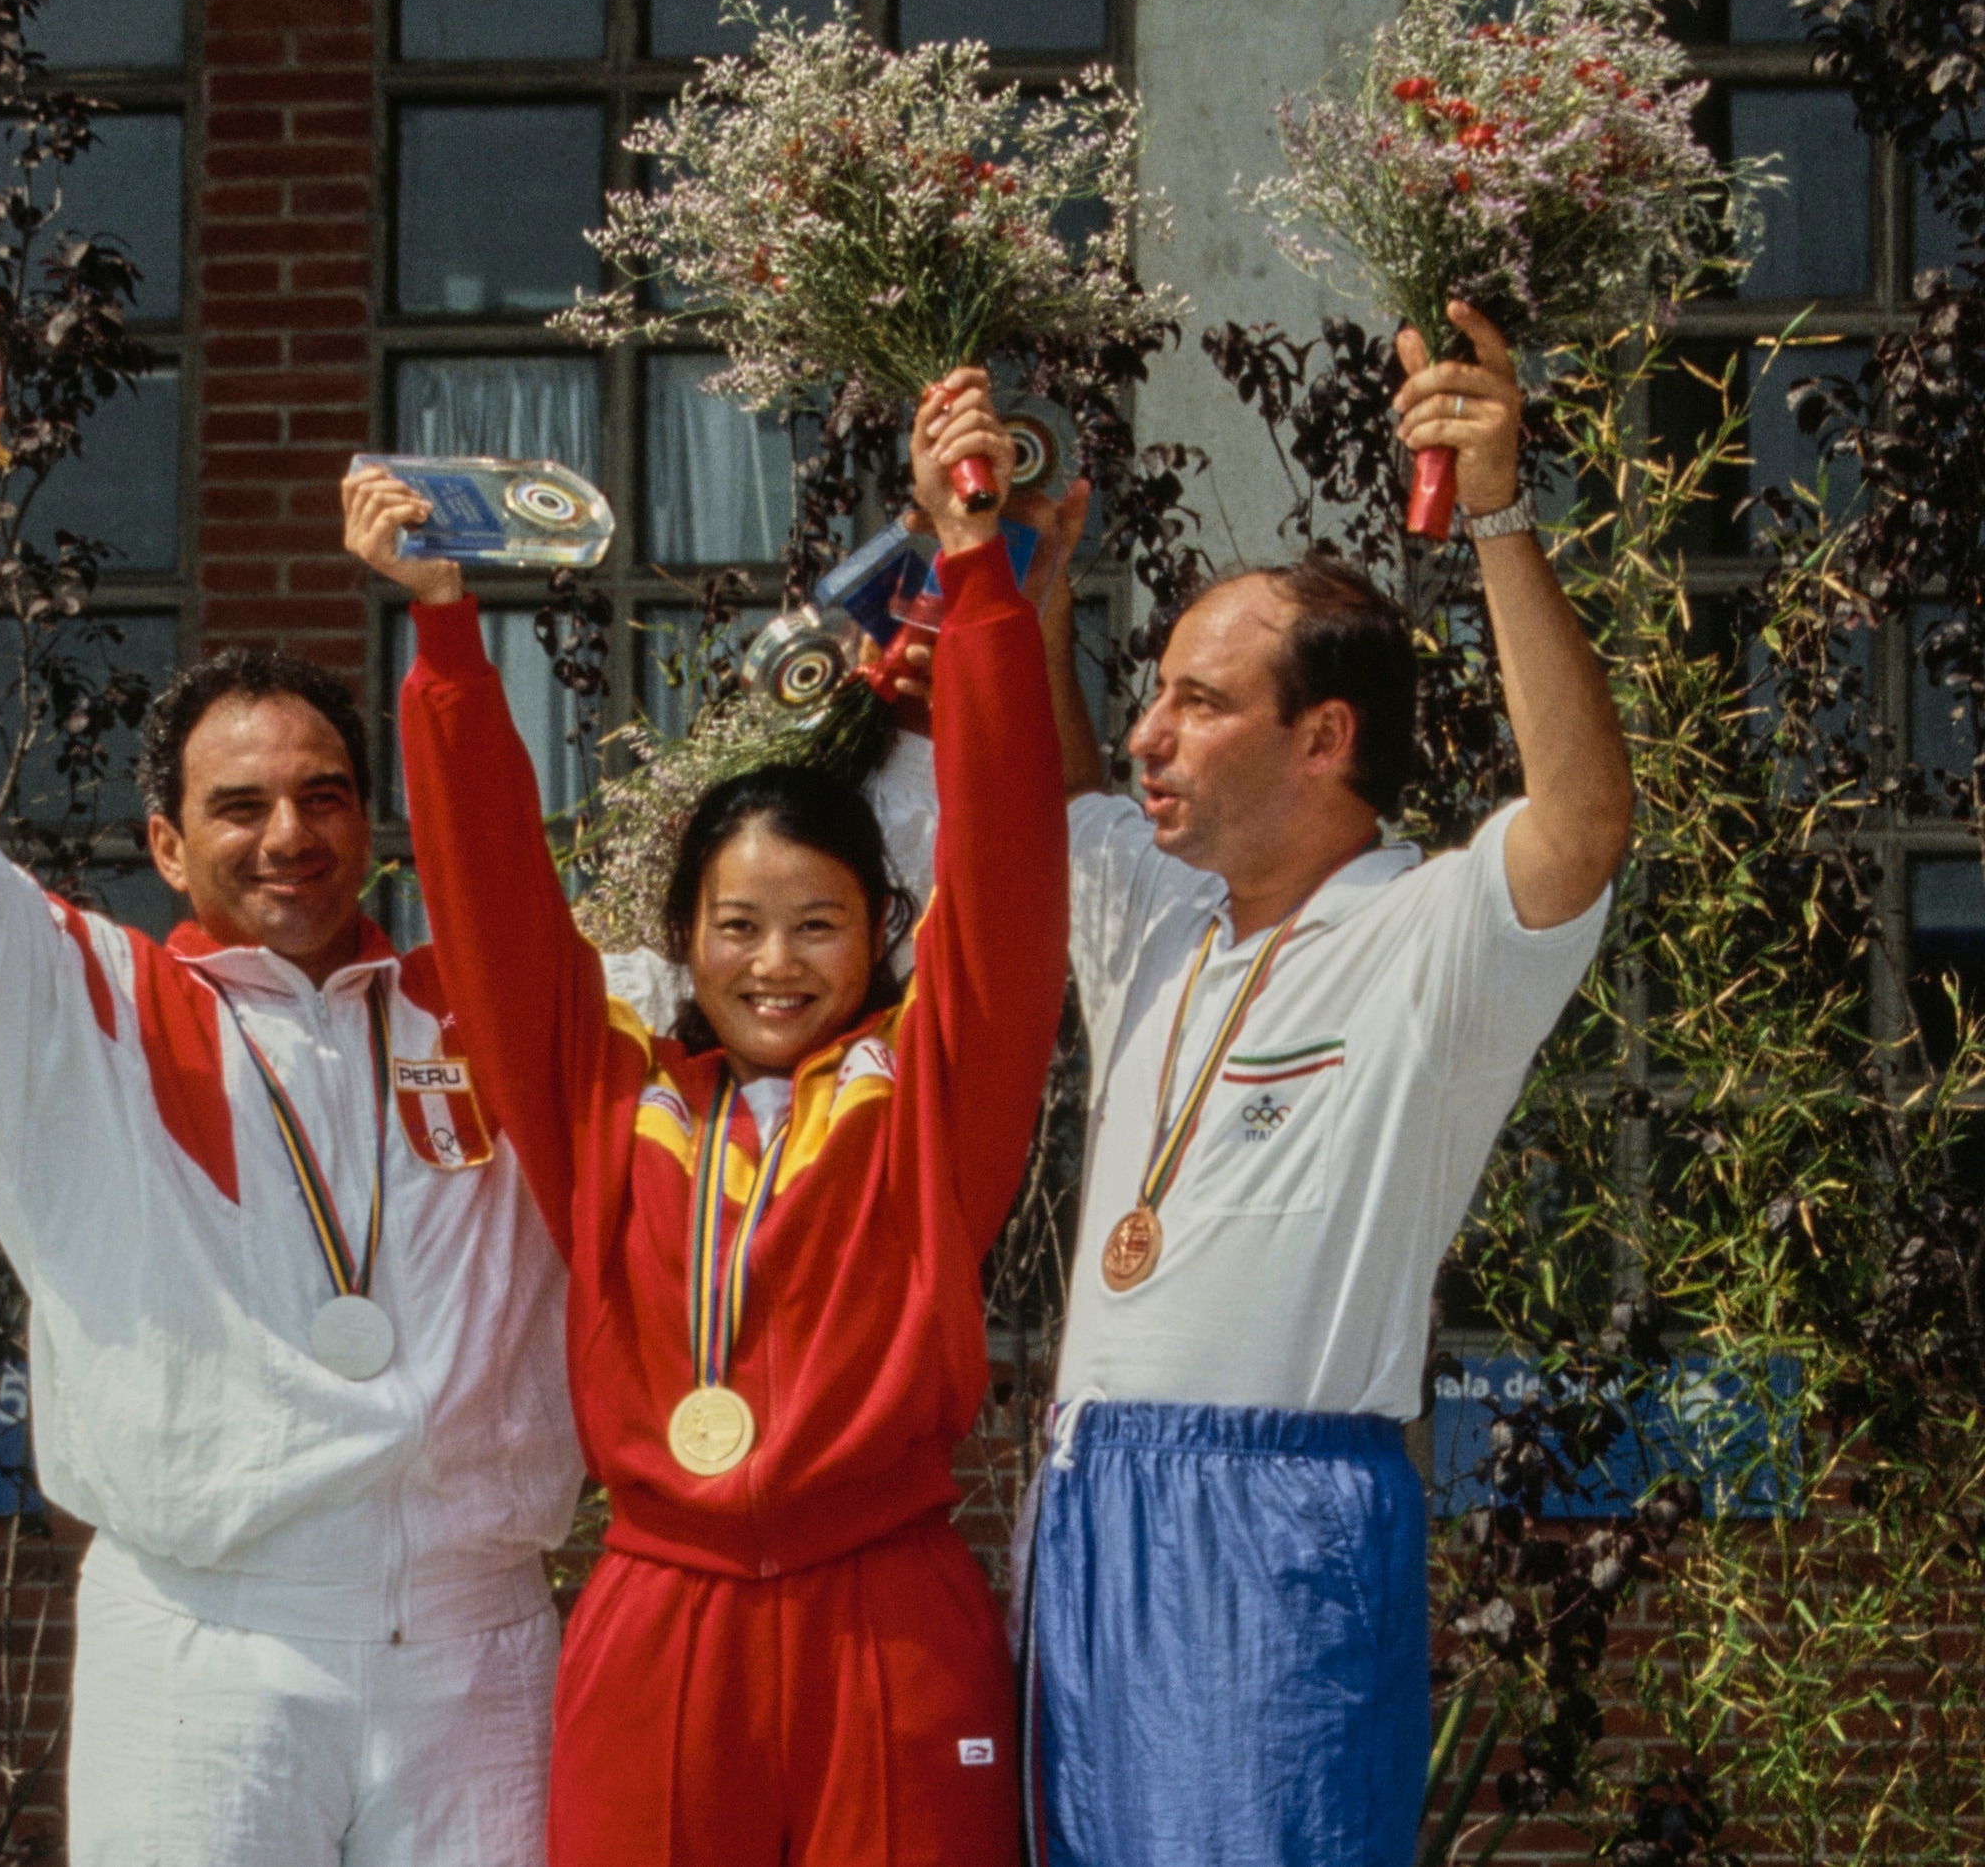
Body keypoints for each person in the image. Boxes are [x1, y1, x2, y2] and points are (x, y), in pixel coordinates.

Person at [343, 366, 1069, 1867]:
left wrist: (977, 575)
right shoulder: (608, 1091)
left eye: (820, 925)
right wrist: (441, 631)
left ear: (882, 934)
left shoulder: (930, 1093)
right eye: (739, 926)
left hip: (888, 1600)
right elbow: (488, 908)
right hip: (660, 1610)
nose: (777, 964)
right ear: (685, 939)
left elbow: (1010, 878)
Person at [0, 499, 583, 1866]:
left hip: (481, 1646)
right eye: (241, 805)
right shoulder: (82, 1017)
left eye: (324, 795)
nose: (290, 832)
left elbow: (783, 970)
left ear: (371, 821)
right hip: (208, 1649)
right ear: (168, 844)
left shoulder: (503, 1017)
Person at [1020, 301, 1634, 1867]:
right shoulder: (1155, 909)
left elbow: (1581, 820)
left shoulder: (1432, 933)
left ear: (1326, 737)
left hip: (1277, 1513)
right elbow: (1037, 773)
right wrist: (1012, 581)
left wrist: (1496, 510)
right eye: (1152, 696)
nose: (1150, 736)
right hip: (1093, 1501)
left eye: (1200, 704)